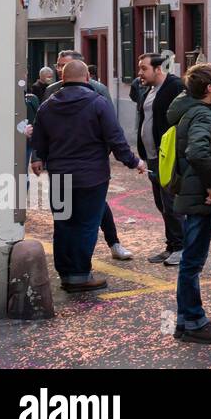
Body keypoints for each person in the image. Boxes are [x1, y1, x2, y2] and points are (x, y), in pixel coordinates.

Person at [30, 60, 145, 292]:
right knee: (86, 226)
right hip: (91, 177)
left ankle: (66, 274)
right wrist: (134, 162)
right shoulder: (98, 103)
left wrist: (37, 157)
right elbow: (116, 138)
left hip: (60, 176)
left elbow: (39, 137)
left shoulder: (48, 105)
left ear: (62, 78)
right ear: (86, 78)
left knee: (63, 224)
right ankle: (80, 276)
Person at [44, 50, 130, 261]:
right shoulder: (50, 93)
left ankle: (112, 243)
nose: (60, 69)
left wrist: (104, 154)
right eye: (59, 65)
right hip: (66, 168)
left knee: (91, 212)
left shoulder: (98, 92)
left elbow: (110, 127)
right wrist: (39, 156)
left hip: (87, 168)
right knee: (69, 220)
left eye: (65, 65)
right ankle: (77, 271)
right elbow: (43, 128)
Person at [167, 62, 211, 344]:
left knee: (191, 260)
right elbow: (197, 151)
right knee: (192, 261)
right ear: (209, 89)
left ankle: (186, 318)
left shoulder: (189, 108)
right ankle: (194, 321)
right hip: (200, 195)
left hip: (191, 192)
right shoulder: (202, 115)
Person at [134, 54, 185, 264]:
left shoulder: (174, 86)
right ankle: (172, 245)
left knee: (171, 202)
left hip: (167, 156)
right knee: (161, 202)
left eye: (143, 68)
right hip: (152, 156)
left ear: (157, 69)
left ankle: (182, 247)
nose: (139, 73)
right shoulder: (148, 89)